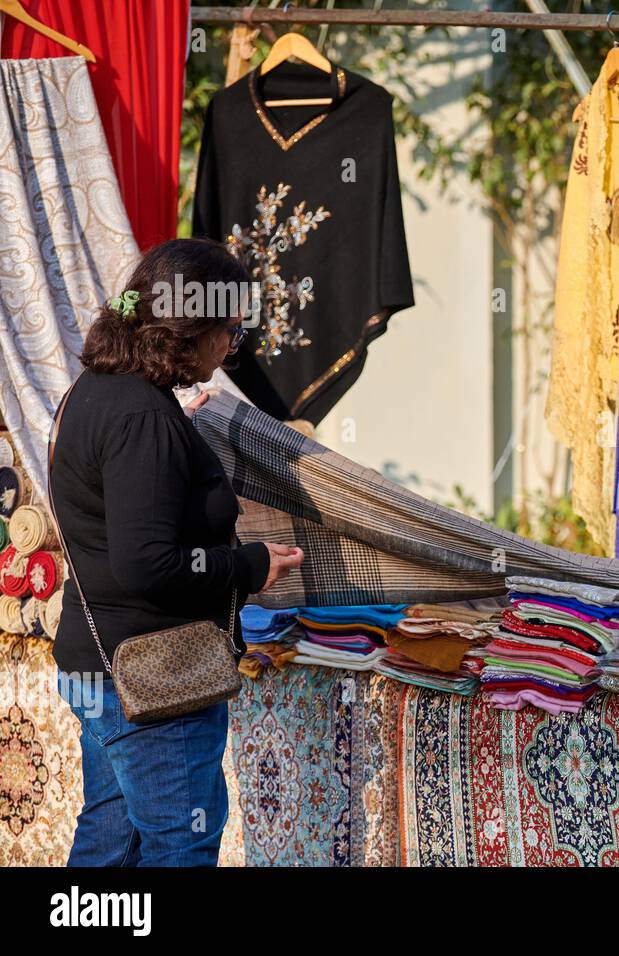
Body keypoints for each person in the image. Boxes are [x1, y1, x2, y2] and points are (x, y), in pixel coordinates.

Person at [49, 238, 304, 866]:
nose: (231, 351)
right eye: (230, 333)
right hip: (151, 678)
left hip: (100, 664)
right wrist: (249, 567)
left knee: (112, 842)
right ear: (189, 330)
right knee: (178, 845)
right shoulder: (142, 416)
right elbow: (148, 564)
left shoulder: (97, 390)